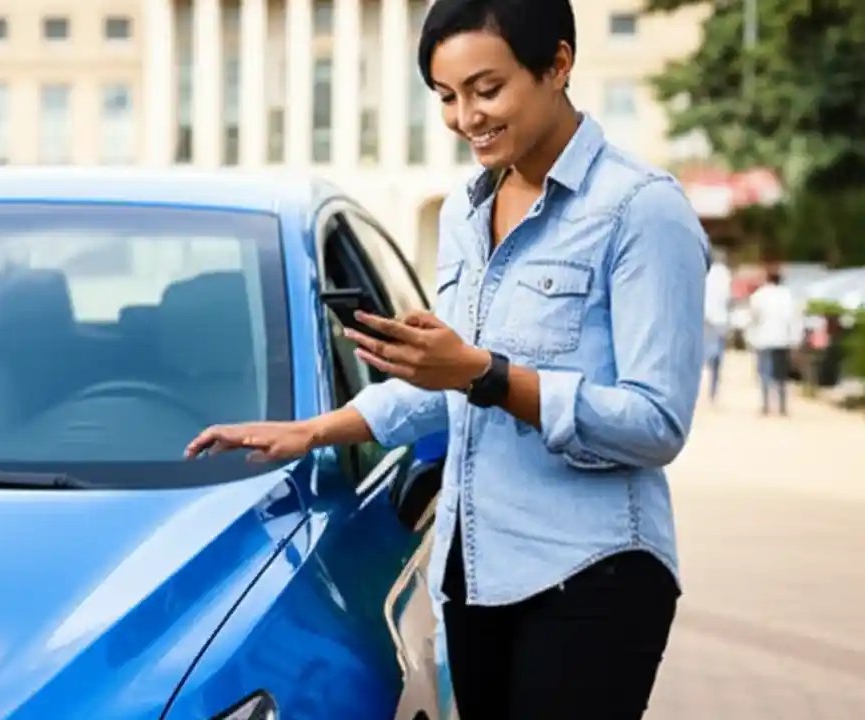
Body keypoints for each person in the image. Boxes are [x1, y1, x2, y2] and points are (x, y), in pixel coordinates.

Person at [184, 0, 709, 717]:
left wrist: (484, 374)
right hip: (472, 575)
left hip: (591, 576)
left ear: (557, 66)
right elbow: (445, 380)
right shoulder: (468, 211)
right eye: (446, 97)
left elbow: (655, 423)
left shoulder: (641, 210)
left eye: (486, 89)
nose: (466, 118)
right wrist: (312, 431)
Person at [746, 267, 800, 416]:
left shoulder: (759, 295)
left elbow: (753, 317)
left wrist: (750, 336)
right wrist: (795, 339)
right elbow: (793, 319)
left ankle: (766, 405)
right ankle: (782, 407)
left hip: (763, 339)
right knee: (781, 375)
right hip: (783, 339)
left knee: (765, 373)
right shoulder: (787, 296)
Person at [703, 249, 733, 403]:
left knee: (699, 359)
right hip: (720, 320)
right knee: (716, 361)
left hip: (704, 319)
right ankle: (713, 392)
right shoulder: (725, 274)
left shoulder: (703, 271)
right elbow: (728, 298)